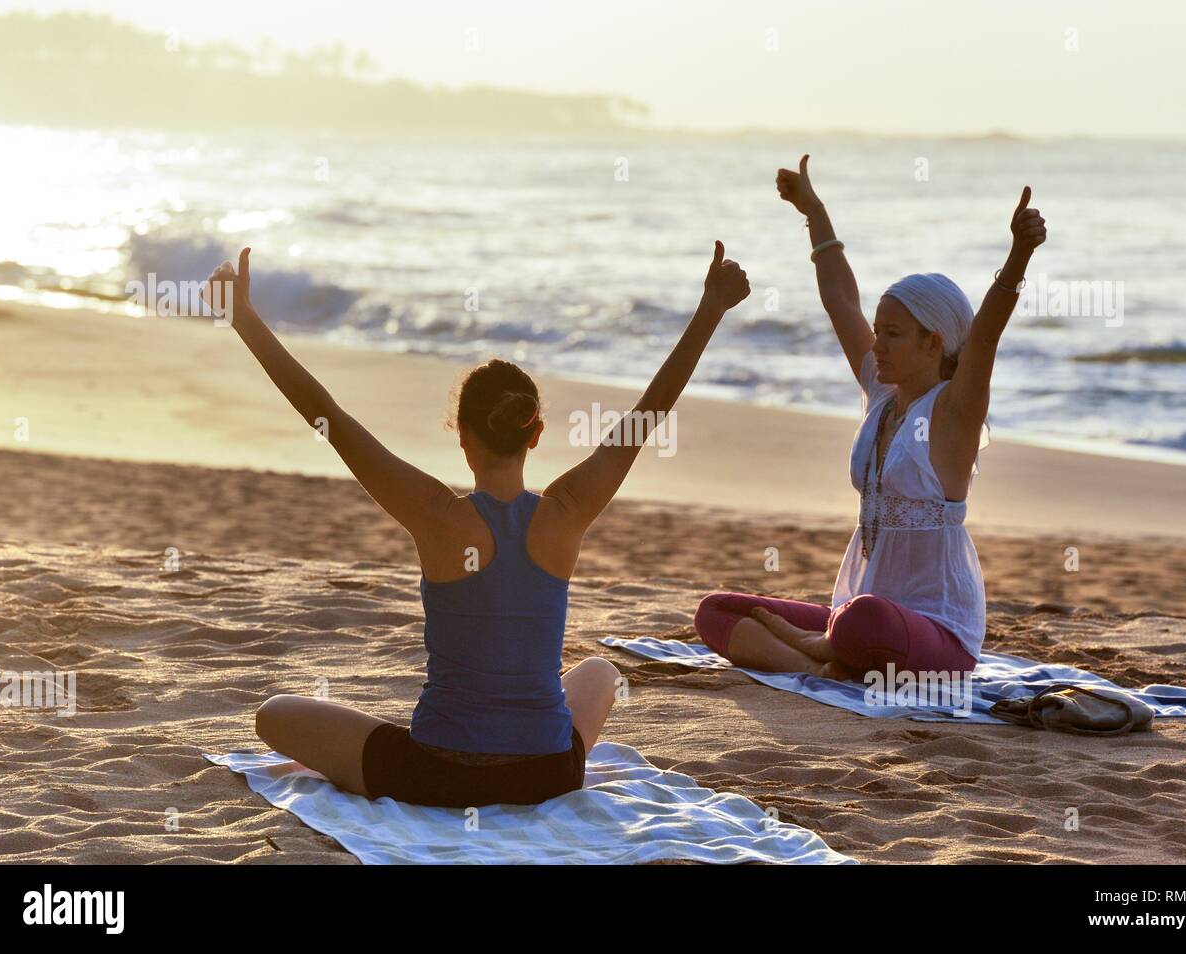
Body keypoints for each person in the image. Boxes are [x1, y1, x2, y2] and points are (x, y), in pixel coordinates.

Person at [203, 240, 750, 807]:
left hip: (438, 774)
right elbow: (647, 416)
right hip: (548, 775)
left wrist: (244, 319)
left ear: (460, 433)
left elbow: (328, 416)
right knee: (599, 671)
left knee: (275, 715)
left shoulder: (436, 516)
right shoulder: (565, 513)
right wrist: (709, 310)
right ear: (534, 434)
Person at [695, 155, 1047, 682]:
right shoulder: (882, 393)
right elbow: (840, 298)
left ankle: (828, 648)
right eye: (878, 331)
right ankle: (817, 663)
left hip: (935, 631)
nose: (876, 344)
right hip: (855, 616)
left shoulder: (954, 413)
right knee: (715, 611)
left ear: (934, 342)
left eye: (893, 335)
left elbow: (988, 334)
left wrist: (1018, 255)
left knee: (865, 620)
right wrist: (812, 209)